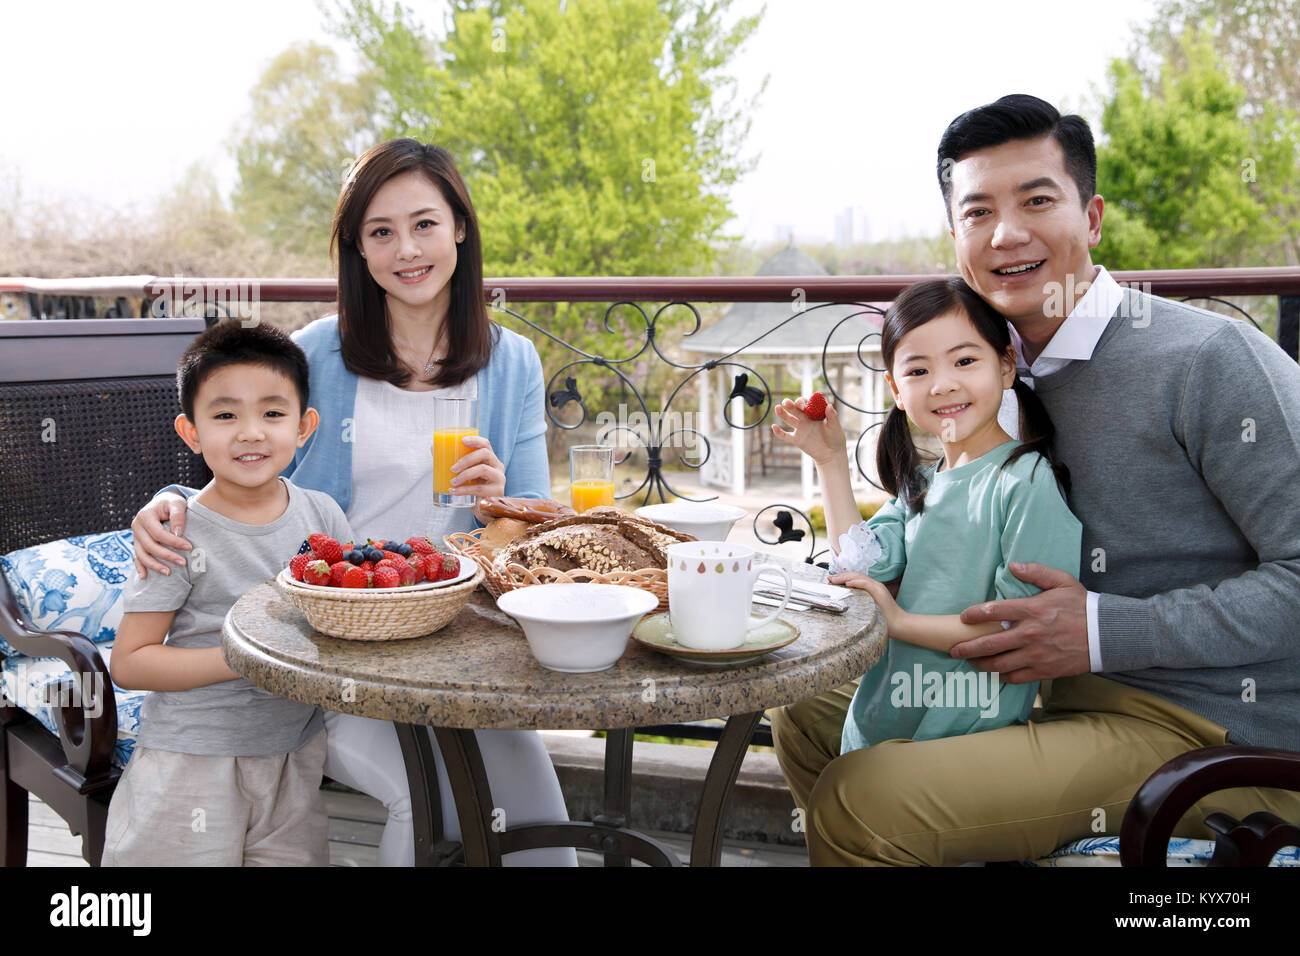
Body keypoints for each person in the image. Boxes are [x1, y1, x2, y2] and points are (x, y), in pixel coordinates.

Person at [771, 94, 1300, 866]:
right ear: (957, 240)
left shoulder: (1209, 361)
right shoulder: (987, 373)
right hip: (1034, 688)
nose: (1008, 232)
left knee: (865, 803)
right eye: (978, 211)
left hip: (1204, 724)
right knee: (806, 708)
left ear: (1091, 219)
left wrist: (1094, 631)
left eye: (1037, 200)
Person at [130, 139, 577, 866]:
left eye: (425, 224)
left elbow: (535, 527)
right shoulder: (313, 356)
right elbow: (236, 458)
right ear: (358, 250)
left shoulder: (512, 360)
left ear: (460, 227)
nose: (407, 249)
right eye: (381, 231)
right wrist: (165, 501)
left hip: (454, 640)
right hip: (328, 645)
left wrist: (502, 503)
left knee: (535, 811)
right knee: (427, 799)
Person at [771, 278, 1082, 755]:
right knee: (790, 714)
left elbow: (1014, 627)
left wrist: (897, 621)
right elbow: (860, 565)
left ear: (1004, 365)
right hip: (886, 717)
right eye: (917, 371)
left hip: (964, 734)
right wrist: (830, 461)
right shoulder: (920, 482)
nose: (942, 385)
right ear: (896, 389)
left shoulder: (1025, 481)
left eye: (964, 361)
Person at [103, 321, 349, 865]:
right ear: (191, 432)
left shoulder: (322, 515)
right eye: (225, 415)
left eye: (272, 412)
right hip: (194, 758)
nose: (252, 432)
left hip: (294, 752)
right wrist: (252, 659)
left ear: (304, 425)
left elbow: (342, 617)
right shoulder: (175, 530)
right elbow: (132, 662)